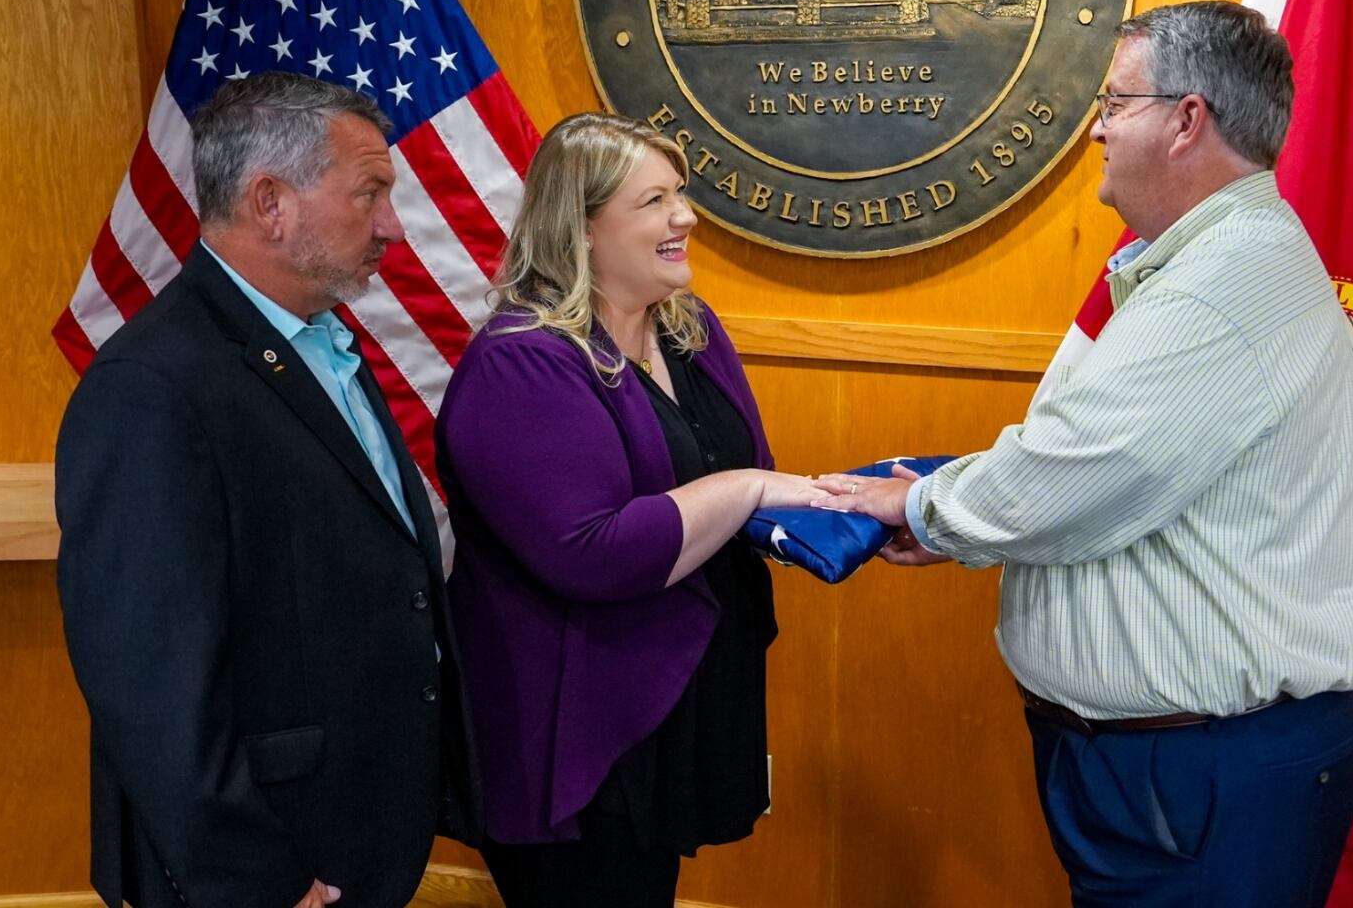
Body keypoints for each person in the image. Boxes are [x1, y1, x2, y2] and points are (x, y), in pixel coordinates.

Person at [816, 1, 1353, 907]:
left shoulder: (1219, 288)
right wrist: (962, 507)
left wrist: (920, 506)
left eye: (1116, 103)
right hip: (1180, 772)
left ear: (1186, 120)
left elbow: (1078, 474)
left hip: (1206, 779)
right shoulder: (1221, 258)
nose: (1096, 129)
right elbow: (1117, 466)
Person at [55, 72, 477, 908]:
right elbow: (150, 685)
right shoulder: (152, 385)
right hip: (268, 860)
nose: (391, 225)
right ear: (271, 203)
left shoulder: (323, 340)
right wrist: (254, 877)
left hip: (359, 826)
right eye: (369, 195)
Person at [437, 112, 826, 907]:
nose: (684, 216)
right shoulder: (523, 364)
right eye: (653, 201)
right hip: (576, 737)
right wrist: (747, 491)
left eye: (679, 194)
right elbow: (595, 551)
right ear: (580, 228)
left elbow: (755, 480)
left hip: (678, 705)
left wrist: (855, 515)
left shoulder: (692, 331)